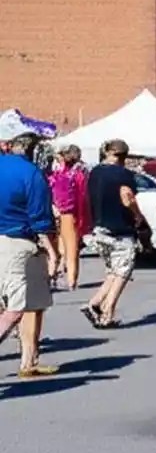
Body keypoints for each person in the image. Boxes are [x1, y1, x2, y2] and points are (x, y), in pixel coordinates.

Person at [0, 124, 58, 377]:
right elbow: (41, 219)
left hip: (13, 241)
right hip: (19, 242)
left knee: (32, 300)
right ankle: (27, 359)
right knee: (16, 307)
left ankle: (29, 360)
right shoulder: (32, 174)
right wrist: (54, 253)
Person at [84, 139, 144, 329]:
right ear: (125, 156)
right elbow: (127, 196)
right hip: (119, 229)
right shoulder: (124, 175)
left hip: (99, 228)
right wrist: (138, 215)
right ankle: (107, 311)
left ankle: (95, 303)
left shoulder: (94, 172)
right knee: (123, 271)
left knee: (112, 270)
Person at [47, 143, 91, 290]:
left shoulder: (65, 175)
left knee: (67, 247)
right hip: (68, 213)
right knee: (68, 247)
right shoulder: (79, 173)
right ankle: (68, 276)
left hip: (64, 213)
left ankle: (68, 277)